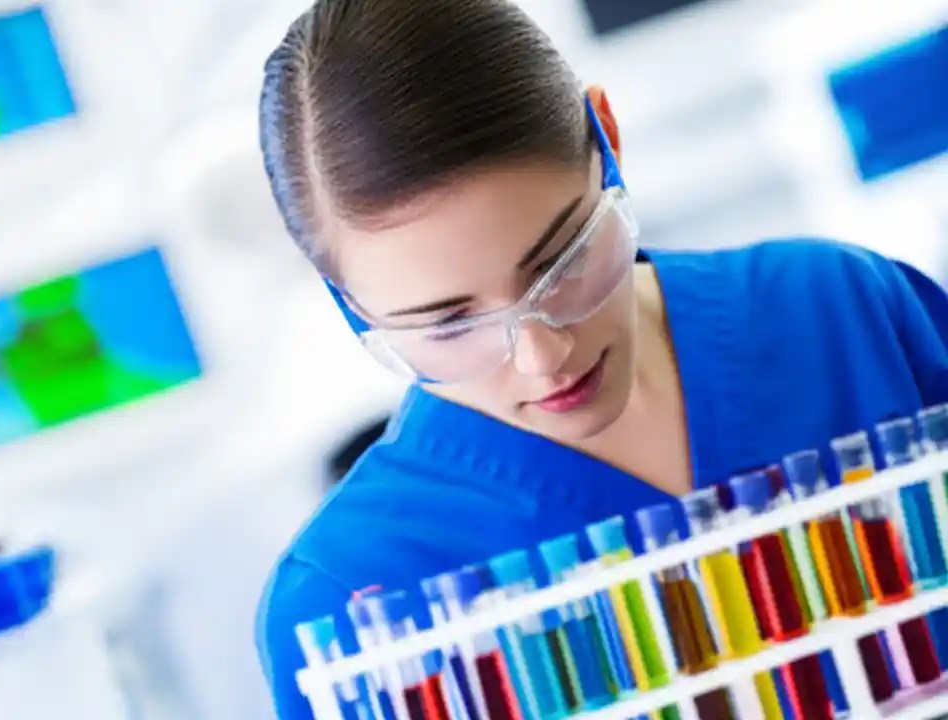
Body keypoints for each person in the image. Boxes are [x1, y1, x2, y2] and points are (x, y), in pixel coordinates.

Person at [253, 0, 948, 717]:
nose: (542, 356)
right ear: (351, 304)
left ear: (606, 138)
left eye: (560, 263)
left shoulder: (841, 312)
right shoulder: (345, 598)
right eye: (450, 323)